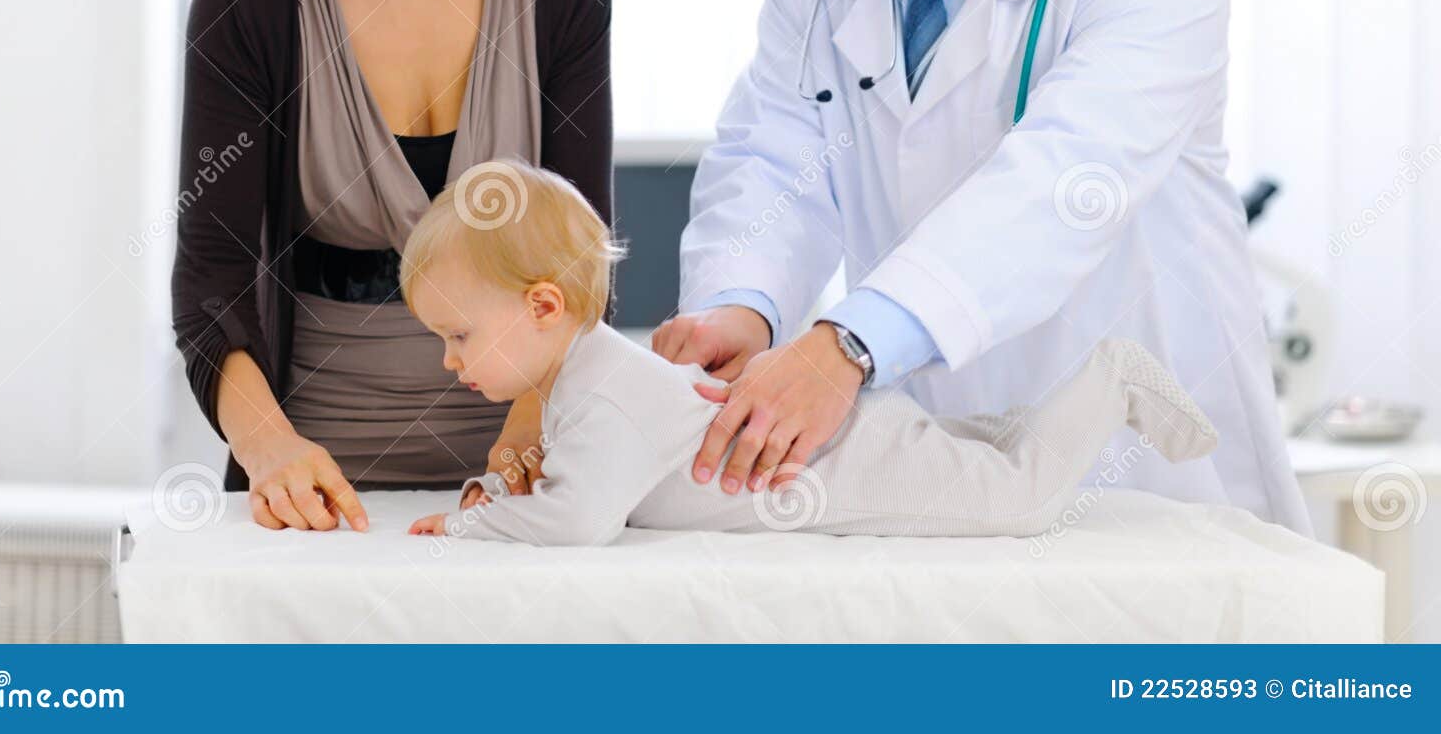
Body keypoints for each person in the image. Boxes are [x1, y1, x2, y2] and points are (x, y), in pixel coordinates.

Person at [653, 0, 1310, 536]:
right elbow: (776, 157)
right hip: (946, 481)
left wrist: (846, 346)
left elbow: (1060, 186)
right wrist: (746, 304)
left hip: (1150, 478)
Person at [170, 0, 613, 532]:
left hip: (525, 460)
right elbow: (211, 284)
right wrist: (271, 454)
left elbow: (585, 258)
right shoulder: (251, 1)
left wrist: (529, 431)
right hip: (320, 463)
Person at [401, 160, 1218, 545]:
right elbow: (573, 484)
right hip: (850, 442)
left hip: (845, 466)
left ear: (544, 305)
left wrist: (471, 527)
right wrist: (496, 490)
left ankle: (1114, 380)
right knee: (979, 455)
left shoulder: (602, 393)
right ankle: (1015, 425)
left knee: (1018, 502)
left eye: (459, 335)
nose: (448, 361)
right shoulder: (594, 377)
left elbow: (577, 520)